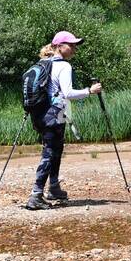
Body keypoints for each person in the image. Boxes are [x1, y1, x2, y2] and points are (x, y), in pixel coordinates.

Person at [27, 30, 102, 210]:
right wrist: (90, 91)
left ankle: (54, 188)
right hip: (54, 115)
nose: (74, 48)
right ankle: (36, 195)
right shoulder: (63, 66)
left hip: (40, 114)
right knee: (50, 152)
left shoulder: (44, 63)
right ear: (59, 47)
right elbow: (68, 93)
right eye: (71, 45)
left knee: (56, 149)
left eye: (75, 44)